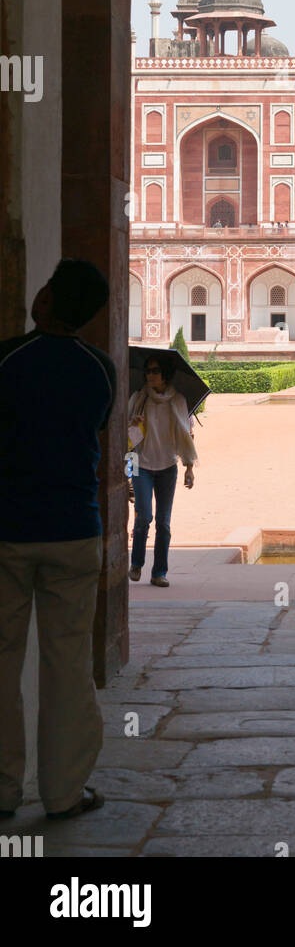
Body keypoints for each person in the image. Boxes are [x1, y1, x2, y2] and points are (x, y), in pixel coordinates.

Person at [0, 258, 115, 821]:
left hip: (9, 530)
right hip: (74, 528)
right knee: (68, 662)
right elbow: (91, 430)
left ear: (45, 301)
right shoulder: (100, 369)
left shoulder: (6, 360)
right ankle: (64, 791)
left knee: (2, 660)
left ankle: (1, 790)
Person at [127, 353, 197, 587]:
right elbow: (128, 442)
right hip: (141, 465)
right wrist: (133, 425)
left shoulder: (177, 401)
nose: (149, 375)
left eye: (154, 371)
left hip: (168, 466)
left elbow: (185, 436)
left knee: (163, 523)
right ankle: (136, 562)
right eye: (147, 371)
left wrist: (188, 467)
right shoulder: (138, 399)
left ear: (165, 375)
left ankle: (159, 572)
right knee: (144, 515)